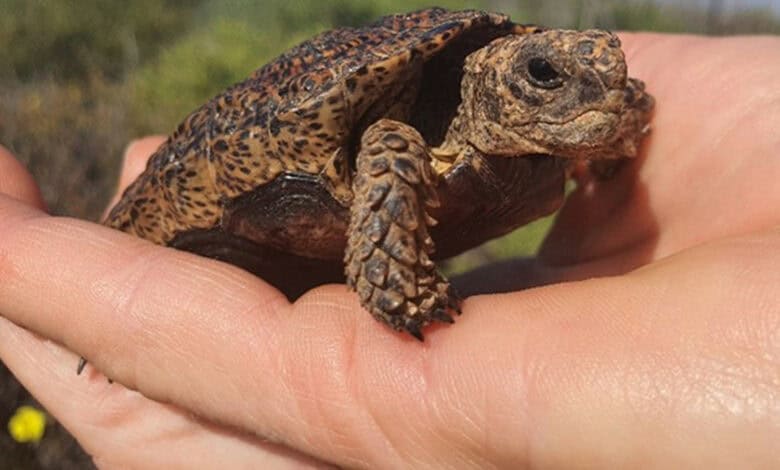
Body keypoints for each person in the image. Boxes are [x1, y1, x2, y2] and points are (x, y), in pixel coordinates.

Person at [0, 33, 778, 468]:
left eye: (602, 77)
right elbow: (386, 144)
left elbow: (608, 105)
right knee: (101, 272)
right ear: (490, 84)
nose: (593, 96)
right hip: (226, 190)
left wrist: (615, 139)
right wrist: (395, 282)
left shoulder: (554, 120)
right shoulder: (397, 130)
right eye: (545, 78)